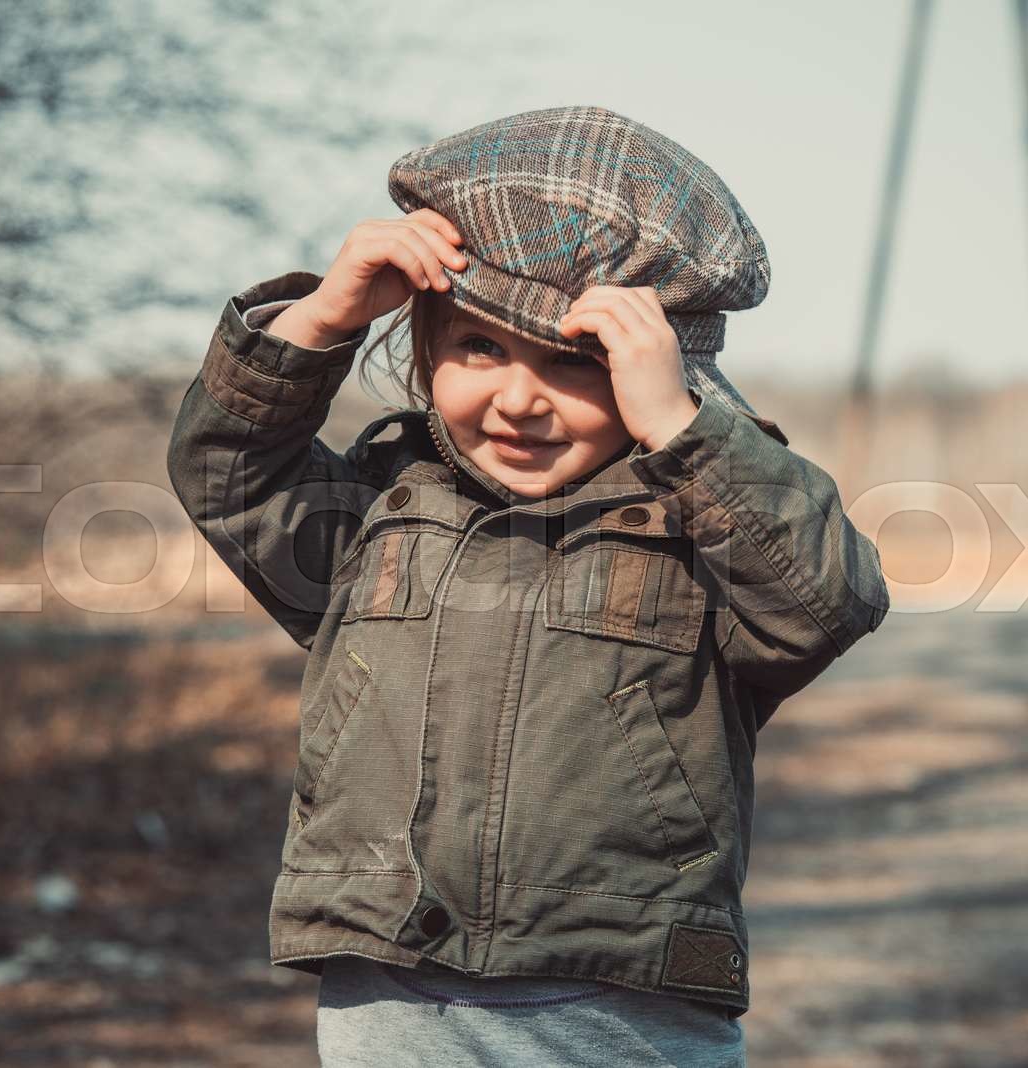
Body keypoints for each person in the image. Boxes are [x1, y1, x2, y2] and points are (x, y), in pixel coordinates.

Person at [166, 104, 891, 1066]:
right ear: (428, 347)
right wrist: (319, 321)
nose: (517, 399)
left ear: (656, 371)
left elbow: (823, 602)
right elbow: (229, 473)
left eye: (574, 363)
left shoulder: (696, 520)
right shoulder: (382, 509)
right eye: (480, 348)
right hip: (391, 992)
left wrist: (683, 430)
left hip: (620, 1005)